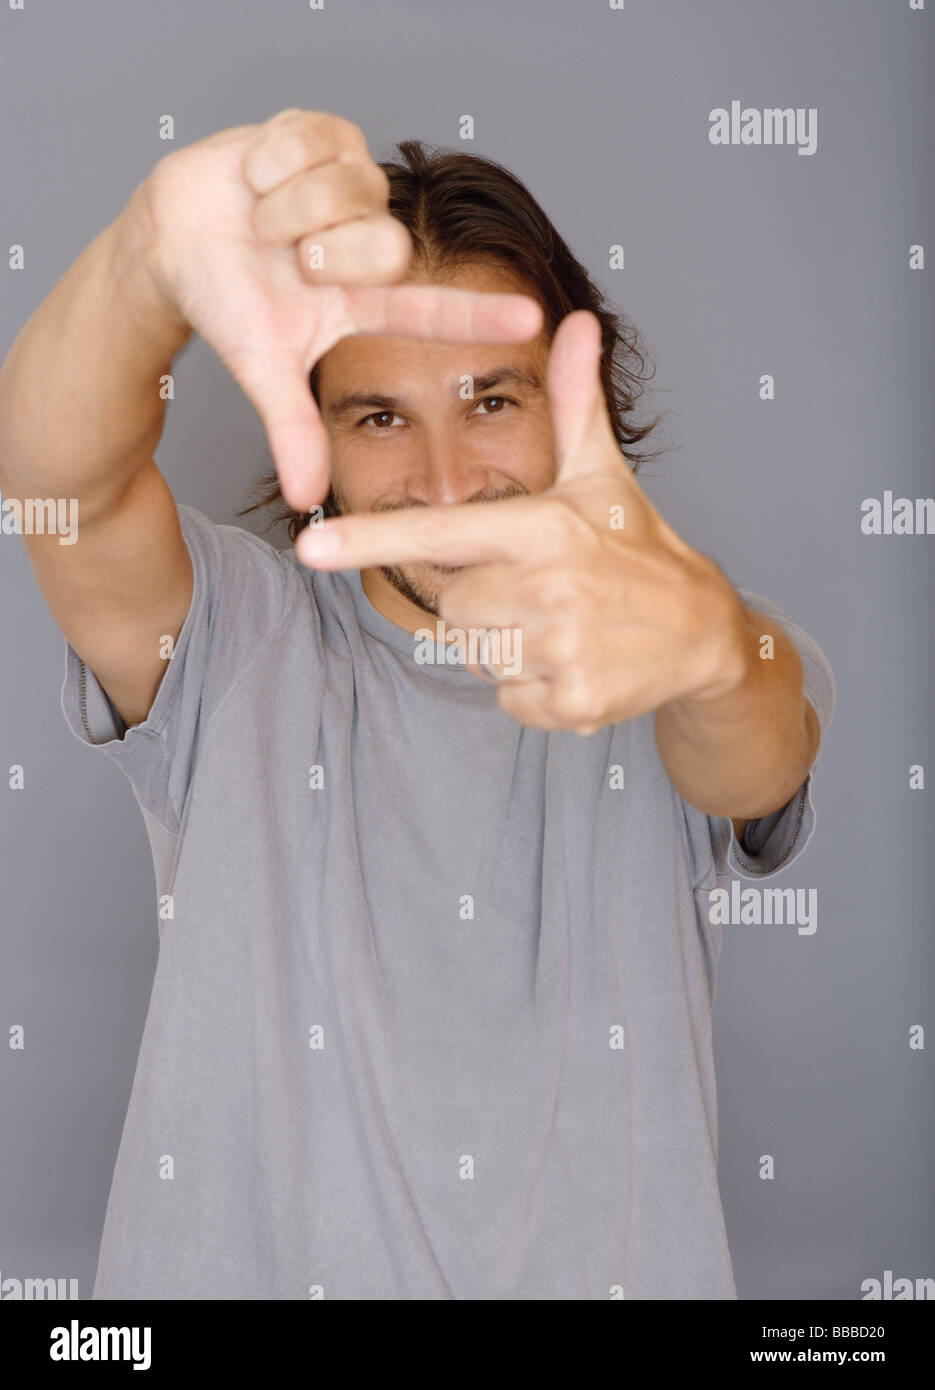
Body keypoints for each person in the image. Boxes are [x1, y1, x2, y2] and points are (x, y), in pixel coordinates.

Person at [0, 108, 834, 1300]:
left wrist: (712, 646)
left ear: (572, 396)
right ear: (318, 441)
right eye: (379, 417)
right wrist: (145, 256)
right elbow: (53, 489)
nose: (443, 483)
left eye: (490, 400)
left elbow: (754, 755)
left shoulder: (680, 641)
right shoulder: (237, 632)